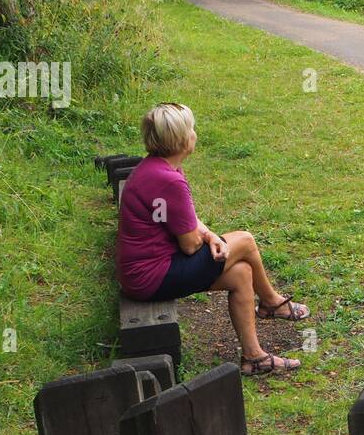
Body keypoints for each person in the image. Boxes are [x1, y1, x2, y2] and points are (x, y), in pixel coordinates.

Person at [117, 102, 308, 376]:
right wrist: (205, 239)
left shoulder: (157, 167)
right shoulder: (169, 181)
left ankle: (254, 358)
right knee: (245, 241)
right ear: (183, 139)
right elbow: (189, 244)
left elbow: (187, 220)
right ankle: (270, 302)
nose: (195, 133)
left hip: (143, 272)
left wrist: (208, 234)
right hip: (151, 277)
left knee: (242, 273)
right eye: (192, 129)